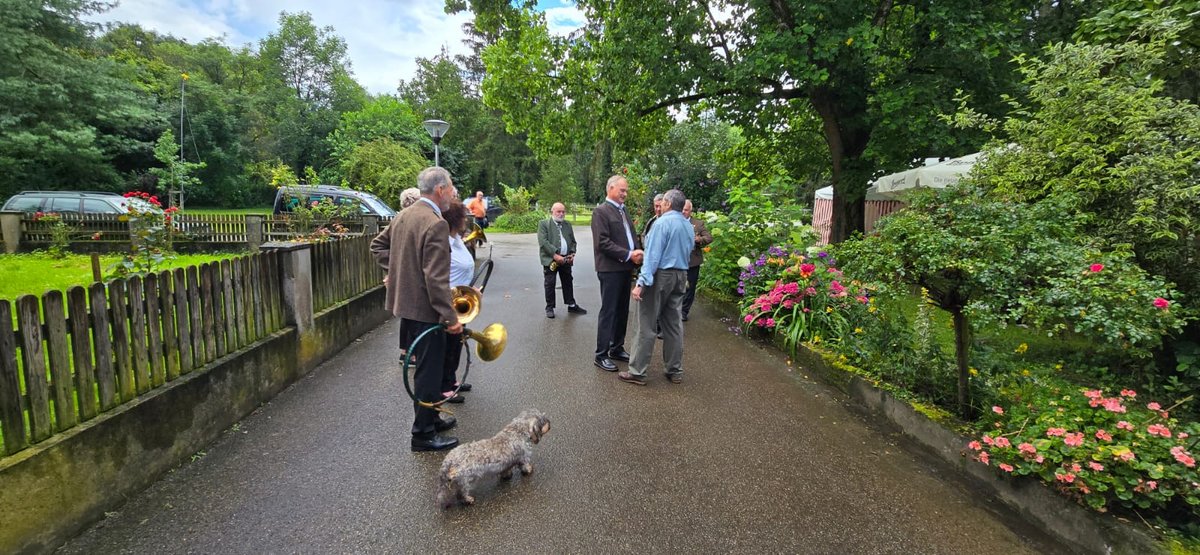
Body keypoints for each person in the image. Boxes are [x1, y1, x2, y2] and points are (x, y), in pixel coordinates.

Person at [370, 167, 462, 452]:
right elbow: (436, 280)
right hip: (427, 311)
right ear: (439, 189)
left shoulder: (404, 215)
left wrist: (400, 272)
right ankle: (423, 434)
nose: (451, 193)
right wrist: (451, 318)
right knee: (428, 372)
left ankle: (431, 418)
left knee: (427, 368)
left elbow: (377, 246)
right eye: (450, 188)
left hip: (407, 306)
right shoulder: (436, 223)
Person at [618, 189, 693, 386]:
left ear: (668, 203)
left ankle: (637, 371)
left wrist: (641, 283)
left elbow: (652, 256)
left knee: (645, 323)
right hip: (681, 275)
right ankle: (674, 370)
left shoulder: (661, 223)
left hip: (661, 275)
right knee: (674, 324)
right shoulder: (687, 225)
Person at [591, 175, 643, 372]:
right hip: (610, 269)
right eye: (622, 190)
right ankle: (601, 354)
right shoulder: (600, 212)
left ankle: (616, 348)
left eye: (626, 191)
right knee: (609, 311)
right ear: (610, 188)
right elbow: (602, 243)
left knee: (622, 310)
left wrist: (636, 254)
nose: (625, 194)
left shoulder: (623, 211)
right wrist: (629, 254)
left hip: (625, 268)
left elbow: (631, 236)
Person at [440, 199, 475, 404]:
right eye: (463, 216)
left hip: (464, 300)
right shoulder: (445, 242)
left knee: (457, 344)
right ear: (455, 219)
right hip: (451, 302)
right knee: (448, 346)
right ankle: (444, 387)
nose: (466, 219)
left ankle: (452, 380)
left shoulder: (457, 239)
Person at [538, 202, 587, 319]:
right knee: (550, 283)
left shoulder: (567, 225)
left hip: (566, 259)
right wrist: (555, 256)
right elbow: (543, 242)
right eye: (558, 211)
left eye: (563, 211)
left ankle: (571, 304)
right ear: (552, 212)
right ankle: (549, 307)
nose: (561, 214)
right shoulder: (544, 224)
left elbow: (573, 242)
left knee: (568, 281)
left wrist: (572, 254)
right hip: (551, 259)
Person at [681, 199, 713, 322]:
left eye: (686, 210)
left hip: (692, 260)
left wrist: (698, 239)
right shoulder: (674, 221)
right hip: (677, 260)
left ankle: (684, 311)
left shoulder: (697, 224)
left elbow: (709, 237)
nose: (684, 212)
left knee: (690, 287)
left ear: (690, 211)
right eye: (682, 209)